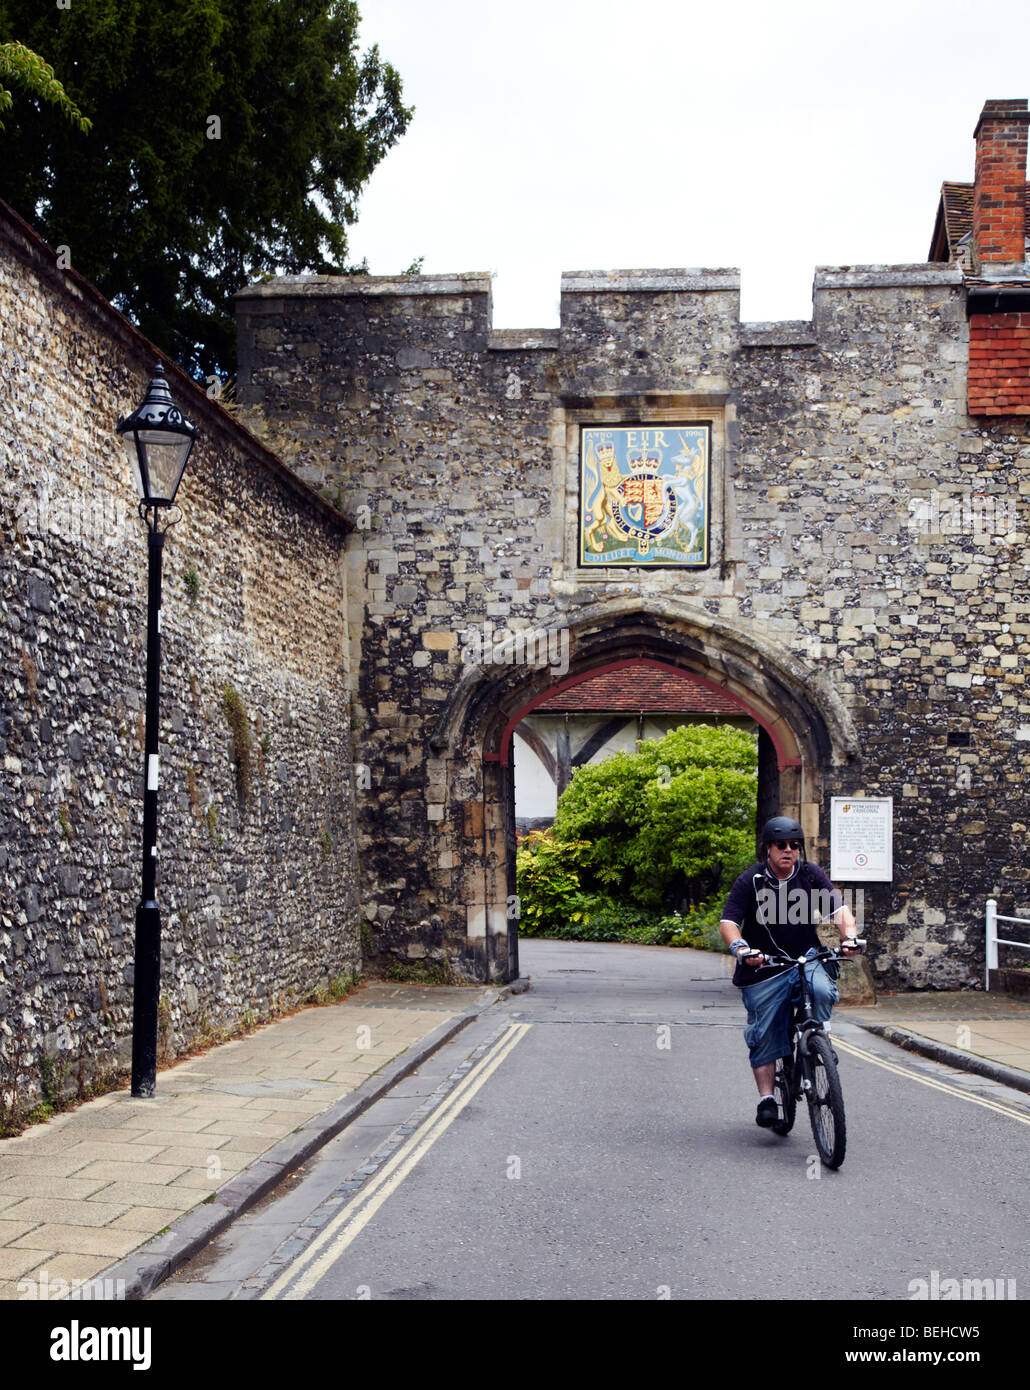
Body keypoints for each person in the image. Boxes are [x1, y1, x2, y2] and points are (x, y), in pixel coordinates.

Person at [719, 815, 863, 1128]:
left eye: (794, 845)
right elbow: (729, 922)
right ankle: (768, 1098)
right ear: (768, 849)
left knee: (823, 989)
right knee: (765, 1032)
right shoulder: (752, 880)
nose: (789, 850)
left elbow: (839, 910)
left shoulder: (810, 875)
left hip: (804, 958)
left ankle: (816, 1040)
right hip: (765, 968)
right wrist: (742, 950)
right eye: (781, 845)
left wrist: (849, 937)